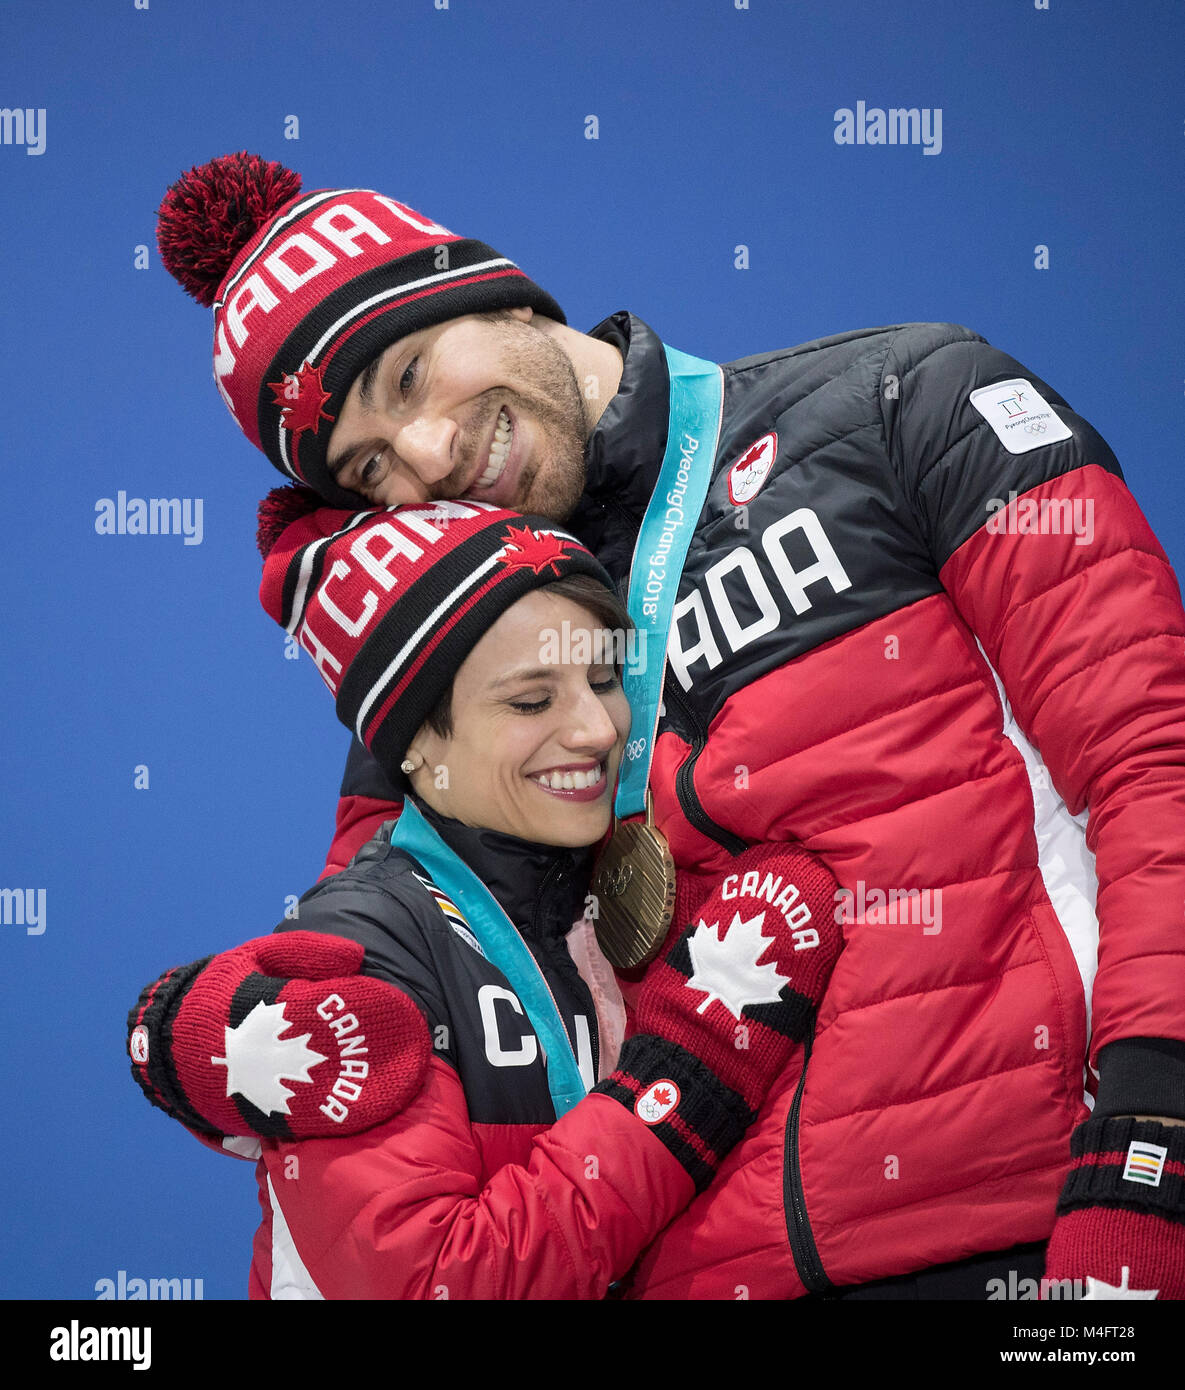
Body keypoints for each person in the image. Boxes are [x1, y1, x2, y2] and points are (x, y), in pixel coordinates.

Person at [143, 152, 1185, 1299]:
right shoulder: (443, 666)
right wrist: (214, 1044)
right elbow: (381, 990)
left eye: (408, 377)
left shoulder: (906, 403)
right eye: (369, 466)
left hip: (1029, 1238)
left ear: (490, 292)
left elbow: (1155, 764)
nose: (430, 455)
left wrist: (1150, 1155)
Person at [127, 498, 843, 1299]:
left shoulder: (608, 891)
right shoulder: (362, 950)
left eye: (604, 681)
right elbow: (435, 1283)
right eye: (530, 702)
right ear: (416, 744)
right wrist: (691, 1070)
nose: (597, 730)